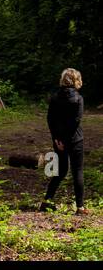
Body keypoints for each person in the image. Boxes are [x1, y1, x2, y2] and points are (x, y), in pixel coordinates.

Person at [42, 67, 88, 215]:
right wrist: (66, 140)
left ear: (63, 80)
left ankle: (46, 202)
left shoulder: (54, 97)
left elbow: (50, 120)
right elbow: (76, 121)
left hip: (59, 141)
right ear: (76, 80)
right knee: (78, 172)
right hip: (75, 140)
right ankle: (80, 207)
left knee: (60, 172)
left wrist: (57, 140)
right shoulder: (78, 99)